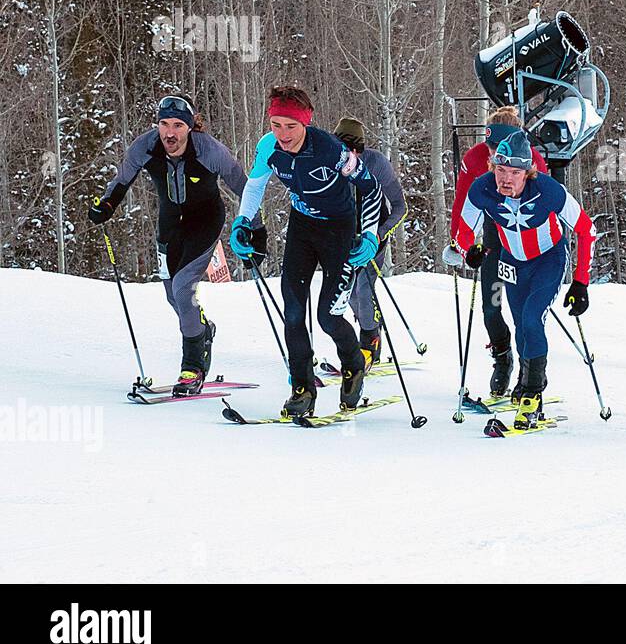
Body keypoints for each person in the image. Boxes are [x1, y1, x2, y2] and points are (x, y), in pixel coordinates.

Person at [89, 95, 260, 395]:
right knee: (173, 296)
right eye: (164, 124)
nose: (170, 133)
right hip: (169, 226)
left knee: (183, 289)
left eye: (178, 125)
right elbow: (122, 179)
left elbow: (243, 186)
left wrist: (256, 230)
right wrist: (106, 205)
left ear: (191, 127)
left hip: (204, 223)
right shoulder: (146, 146)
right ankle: (202, 330)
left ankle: (193, 366)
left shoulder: (209, 150)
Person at [230, 86, 382, 417]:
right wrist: (243, 221)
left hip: (339, 230)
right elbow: (254, 186)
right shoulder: (268, 147)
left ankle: (354, 364)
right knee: (294, 311)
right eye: (276, 125)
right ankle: (301, 388)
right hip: (302, 229)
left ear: (305, 123)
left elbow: (372, 189)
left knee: (328, 316)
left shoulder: (331, 150)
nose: (282, 134)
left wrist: (369, 235)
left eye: (291, 126)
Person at [451, 130, 595, 429]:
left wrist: (580, 282)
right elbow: (463, 230)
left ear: (528, 172)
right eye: (501, 170)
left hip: (547, 260)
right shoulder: (483, 189)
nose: (506, 179)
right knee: (519, 325)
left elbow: (585, 229)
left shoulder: (548, 190)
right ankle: (524, 379)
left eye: (515, 172)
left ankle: (533, 393)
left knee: (532, 319)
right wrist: (470, 250)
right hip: (511, 261)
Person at [448, 107, 550, 396]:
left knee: (525, 315)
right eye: (491, 146)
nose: (494, 155)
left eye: (500, 147)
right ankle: (502, 357)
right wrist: (459, 243)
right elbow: (462, 203)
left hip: (526, 239)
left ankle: (531, 373)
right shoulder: (475, 158)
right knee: (491, 308)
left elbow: (547, 207)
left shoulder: (534, 160)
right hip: (495, 235)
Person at [334, 117, 407, 366]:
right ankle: (367, 332)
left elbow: (399, 206)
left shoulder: (376, 163)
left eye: (351, 151)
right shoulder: (329, 162)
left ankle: (369, 342)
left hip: (372, 235)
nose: (346, 157)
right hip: (342, 237)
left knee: (363, 292)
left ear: (359, 150)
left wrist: (380, 233)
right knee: (347, 295)